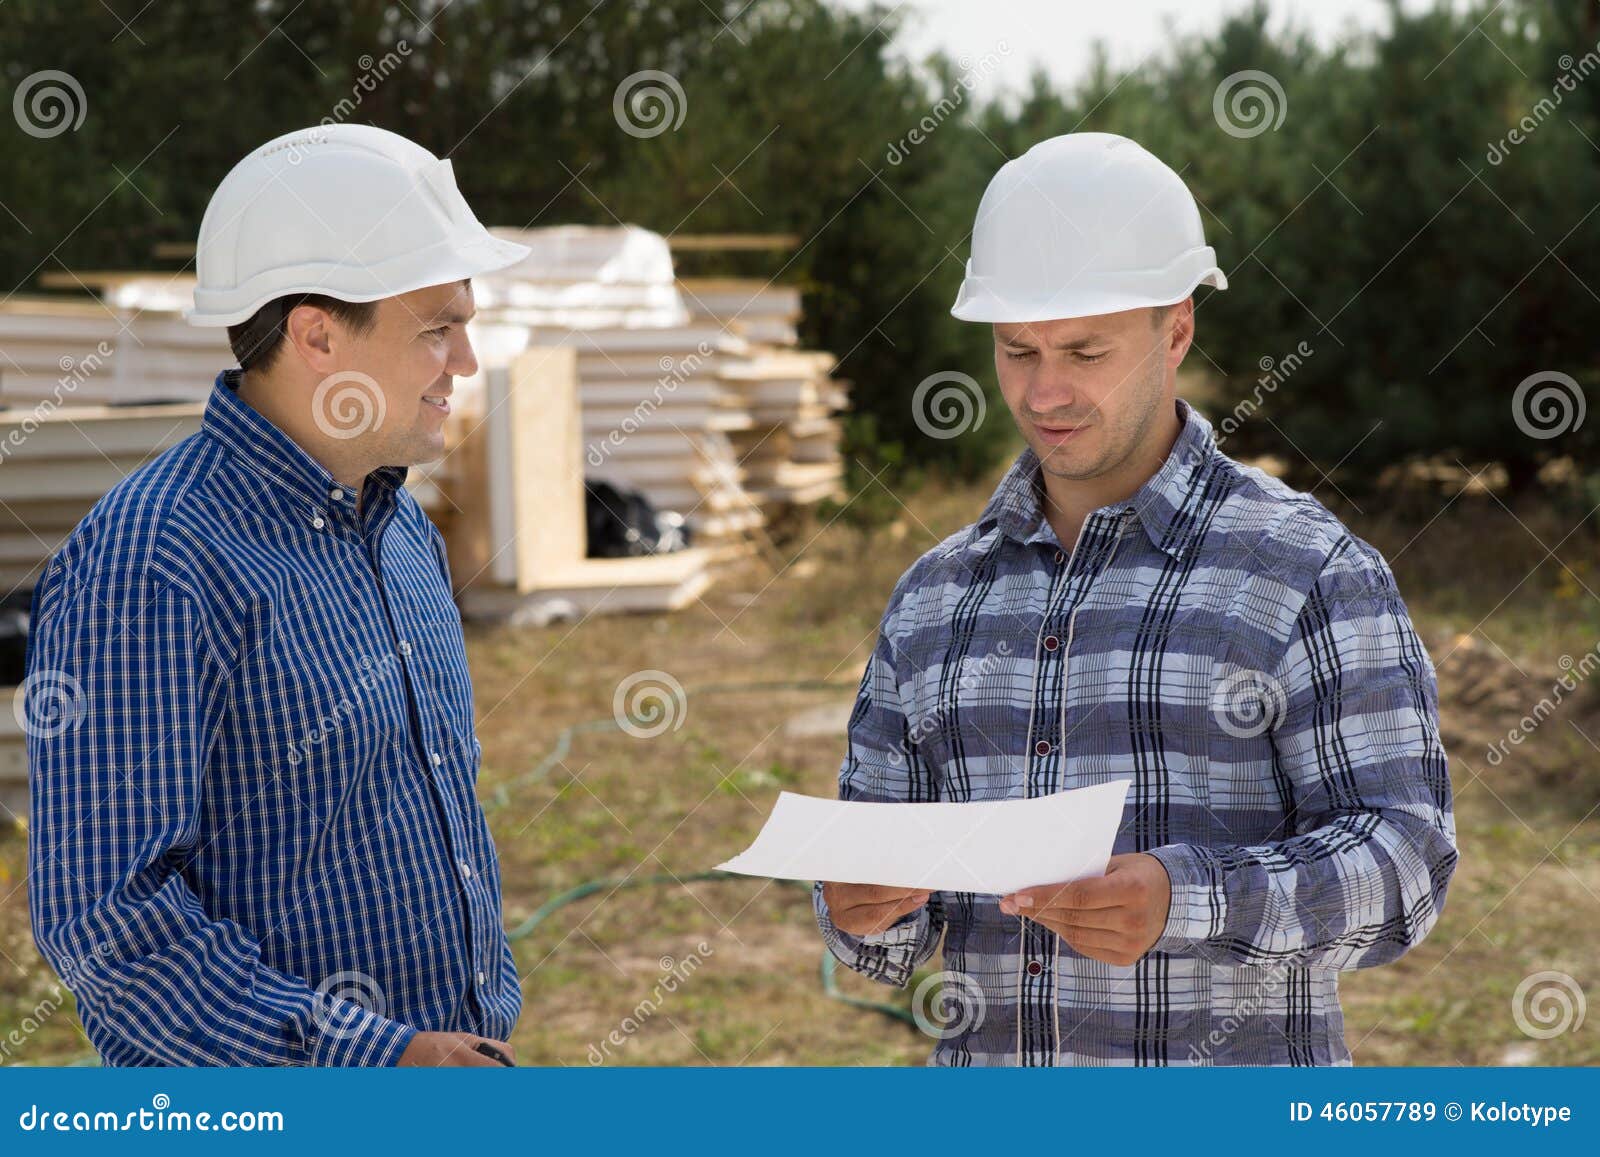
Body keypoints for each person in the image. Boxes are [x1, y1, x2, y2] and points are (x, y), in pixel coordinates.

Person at [814, 132, 1458, 1066]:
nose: (1045, 391)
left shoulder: (1304, 571)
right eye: (1017, 349)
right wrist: (857, 910)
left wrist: (1186, 899)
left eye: (1085, 350)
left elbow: (1407, 864)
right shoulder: (934, 598)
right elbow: (882, 920)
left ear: (1177, 330)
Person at [25, 124, 532, 1067]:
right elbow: (103, 916)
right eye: (436, 327)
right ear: (316, 334)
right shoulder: (157, 560)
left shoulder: (399, 530)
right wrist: (376, 1058)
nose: (464, 361)